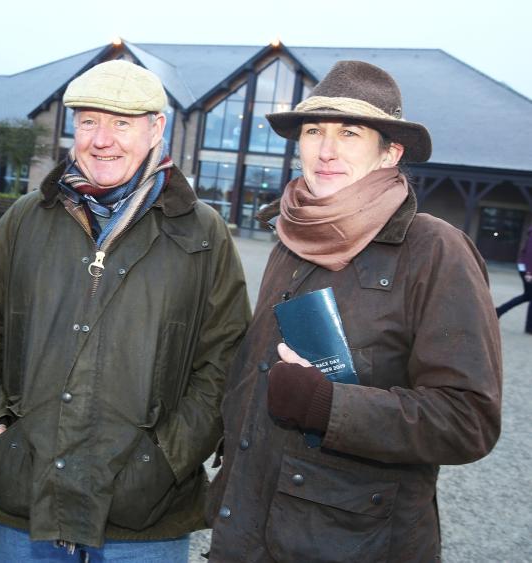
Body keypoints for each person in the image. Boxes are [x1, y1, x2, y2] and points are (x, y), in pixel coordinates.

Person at [0, 59, 250, 561]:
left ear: (156, 129)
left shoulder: (203, 234)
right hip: (27, 501)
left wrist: (165, 461)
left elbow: (224, 362)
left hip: (146, 516)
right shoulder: (26, 219)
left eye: (121, 123)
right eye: (89, 121)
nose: (102, 139)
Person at [206, 61, 502, 561]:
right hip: (249, 532)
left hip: (353, 544)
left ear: (390, 152)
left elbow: (468, 420)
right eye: (313, 130)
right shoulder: (292, 236)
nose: (326, 149)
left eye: (350, 132)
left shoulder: (434, 249)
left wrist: (329, 407)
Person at [496, 225, 532, 333]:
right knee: (529, 296)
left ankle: (499, 311)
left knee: (528, 296)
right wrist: (529, 272)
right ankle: (529, 327)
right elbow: (530, 254)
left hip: (526, 268)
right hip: (527, 269)